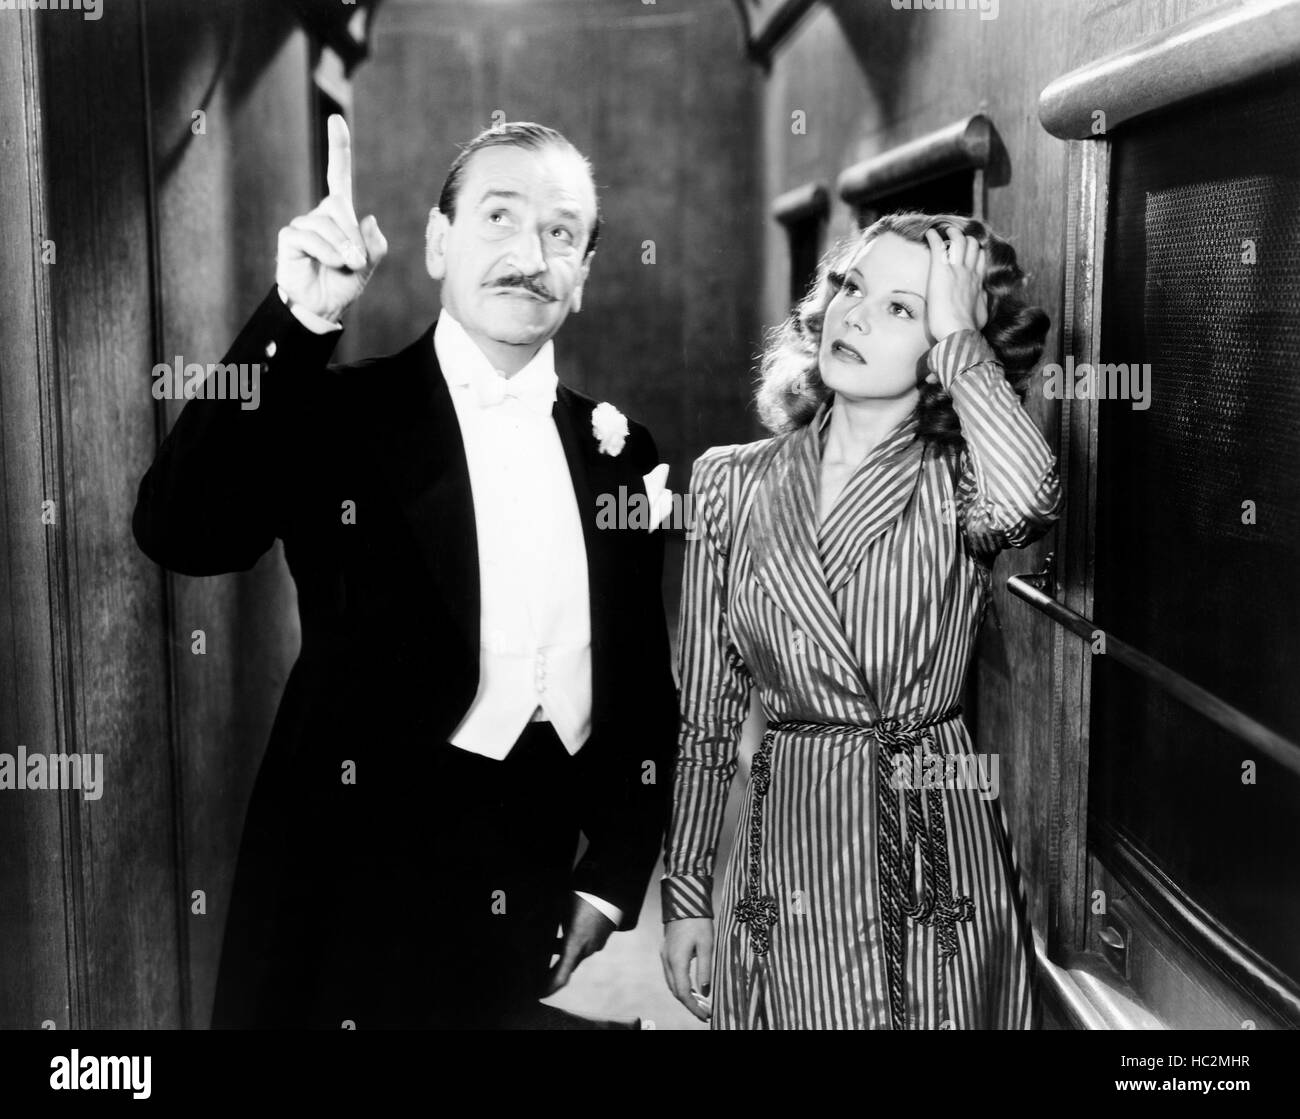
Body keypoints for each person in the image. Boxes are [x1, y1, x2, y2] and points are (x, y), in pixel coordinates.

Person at [133, 115, 678, 1029]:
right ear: (436, 243)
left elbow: (640, 686)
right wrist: (297, 318)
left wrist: (612, 877)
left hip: (522, 875)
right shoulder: (340, 413)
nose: (529, 256)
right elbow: (181, 529)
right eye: (499, 217)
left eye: (560, 232)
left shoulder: (620, 451)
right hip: (343, 867)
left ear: (583, 274)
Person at [659, 213, 1062, 1029]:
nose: (856, 316)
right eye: (851, 286)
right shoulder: (729, 482)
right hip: (785, 852)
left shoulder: (960, 482)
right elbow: (705, 718)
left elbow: (1031, 496)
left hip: (928, 846)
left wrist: (960, 339)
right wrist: (688, 889)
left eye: (902, 308)